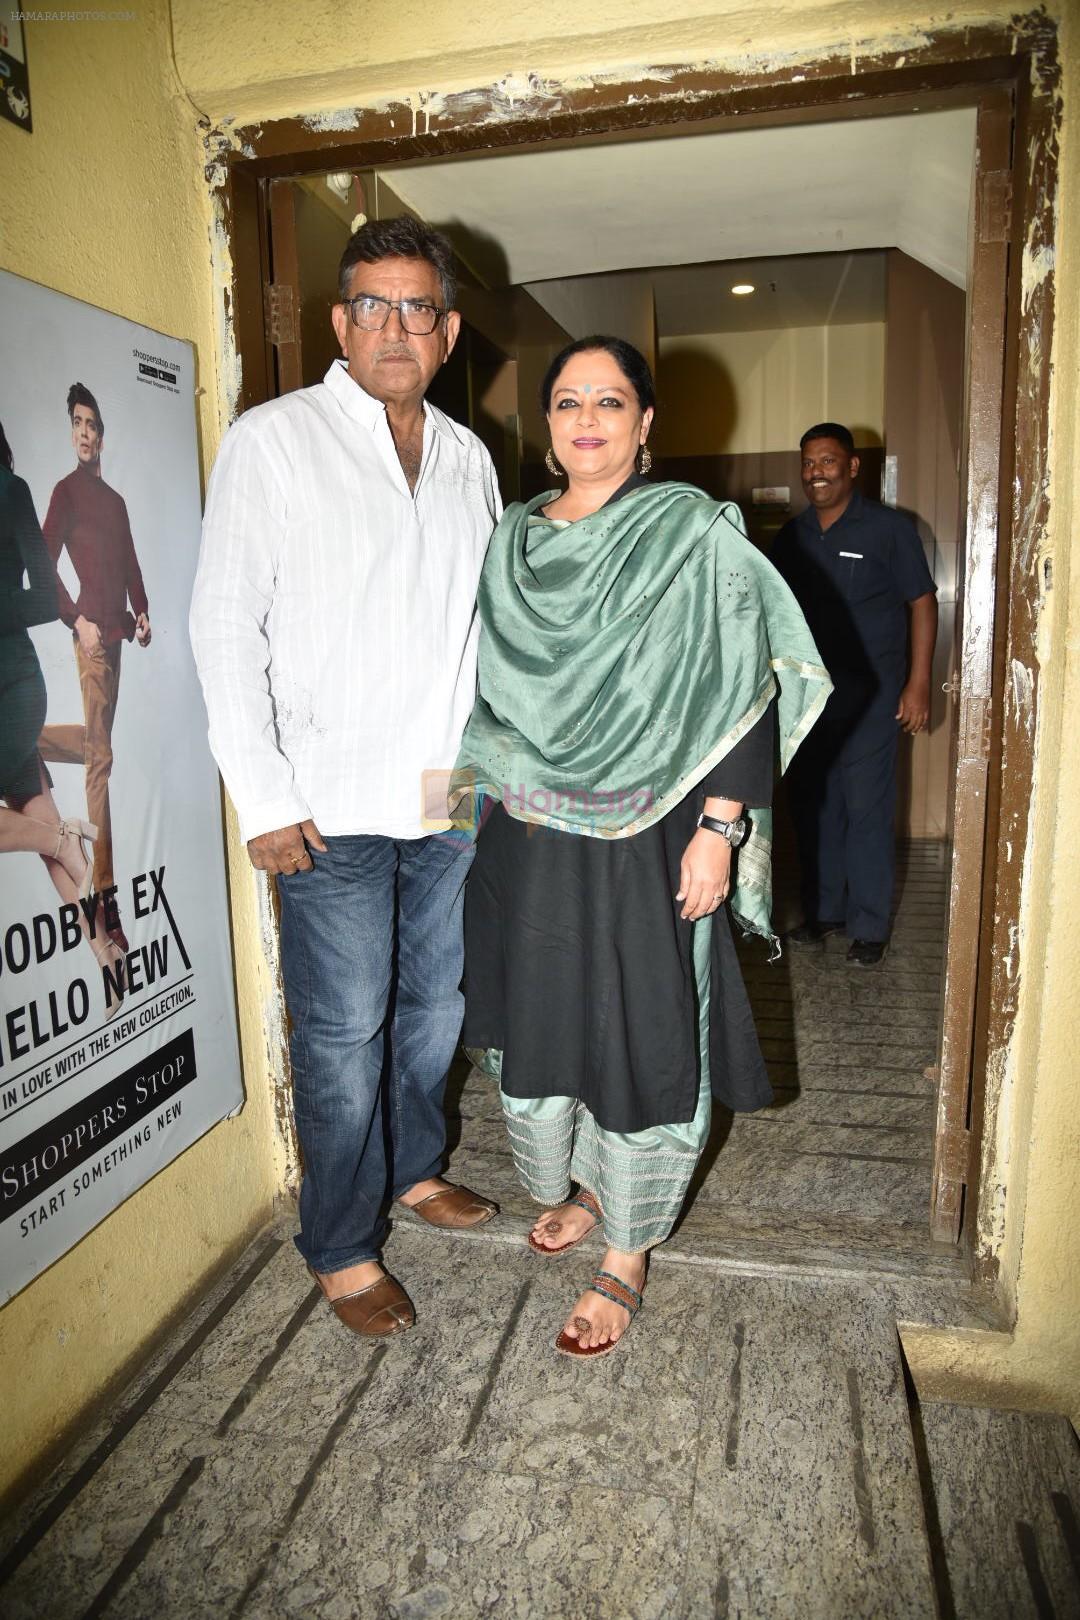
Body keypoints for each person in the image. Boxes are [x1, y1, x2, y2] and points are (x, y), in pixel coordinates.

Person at [453, 336, 831, 1357]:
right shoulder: (515, 539)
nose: (587, 419)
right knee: (547, 1012)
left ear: (645, 422)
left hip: (652, 824)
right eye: (568, 401)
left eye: (609, 402)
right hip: (531, 827)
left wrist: (720, 828)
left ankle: (628, 1247)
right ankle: (581, 1184)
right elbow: (489, 693)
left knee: (641, 1021)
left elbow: (745, 683)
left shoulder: (692, 535)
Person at [190, 216, 503, 1340]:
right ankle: (339, 1241)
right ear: (339, 320)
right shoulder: (276, 441)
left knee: (434, 1010)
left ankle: (416, 1168)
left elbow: (485, 628)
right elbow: (223, 627)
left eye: (418, 308)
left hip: (445, 787)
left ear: (448, 329)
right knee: (341, 1029)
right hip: (323, 802)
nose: (394, 329)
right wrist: (263, 801)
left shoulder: (469, 458)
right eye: (371, 305)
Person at [770, 424, 938, 967]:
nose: (816, 472)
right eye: (809, 463)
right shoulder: (792, 538)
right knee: (816, 810)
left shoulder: (889, 531)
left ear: (853, 466)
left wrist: (917, 685)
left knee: (866, 810)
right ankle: (825, 914)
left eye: (828, 461)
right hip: (808, 701)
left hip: (872, 699)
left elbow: (922, 603)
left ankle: (868, 925)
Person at [0, 421, 124, 1007]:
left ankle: (62, 830)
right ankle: (104, 952)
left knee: (48, 816)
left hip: (11, 685)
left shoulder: (11, 489)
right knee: (48, 830)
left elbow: (46, 597)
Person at [37, 382, 152, 951]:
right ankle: (104, 897)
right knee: (100, 762)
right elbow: (42, 559)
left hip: (118, 639)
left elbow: (128, 562)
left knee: (95, 746)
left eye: (91, 424)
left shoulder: (115, 503)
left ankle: (28, 741)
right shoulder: (66, 492)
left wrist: (144, 611)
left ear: (102, 434)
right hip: (91, 644)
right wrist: (73, 621)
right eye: (76, 423)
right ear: (73, 432)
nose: (84, 432)